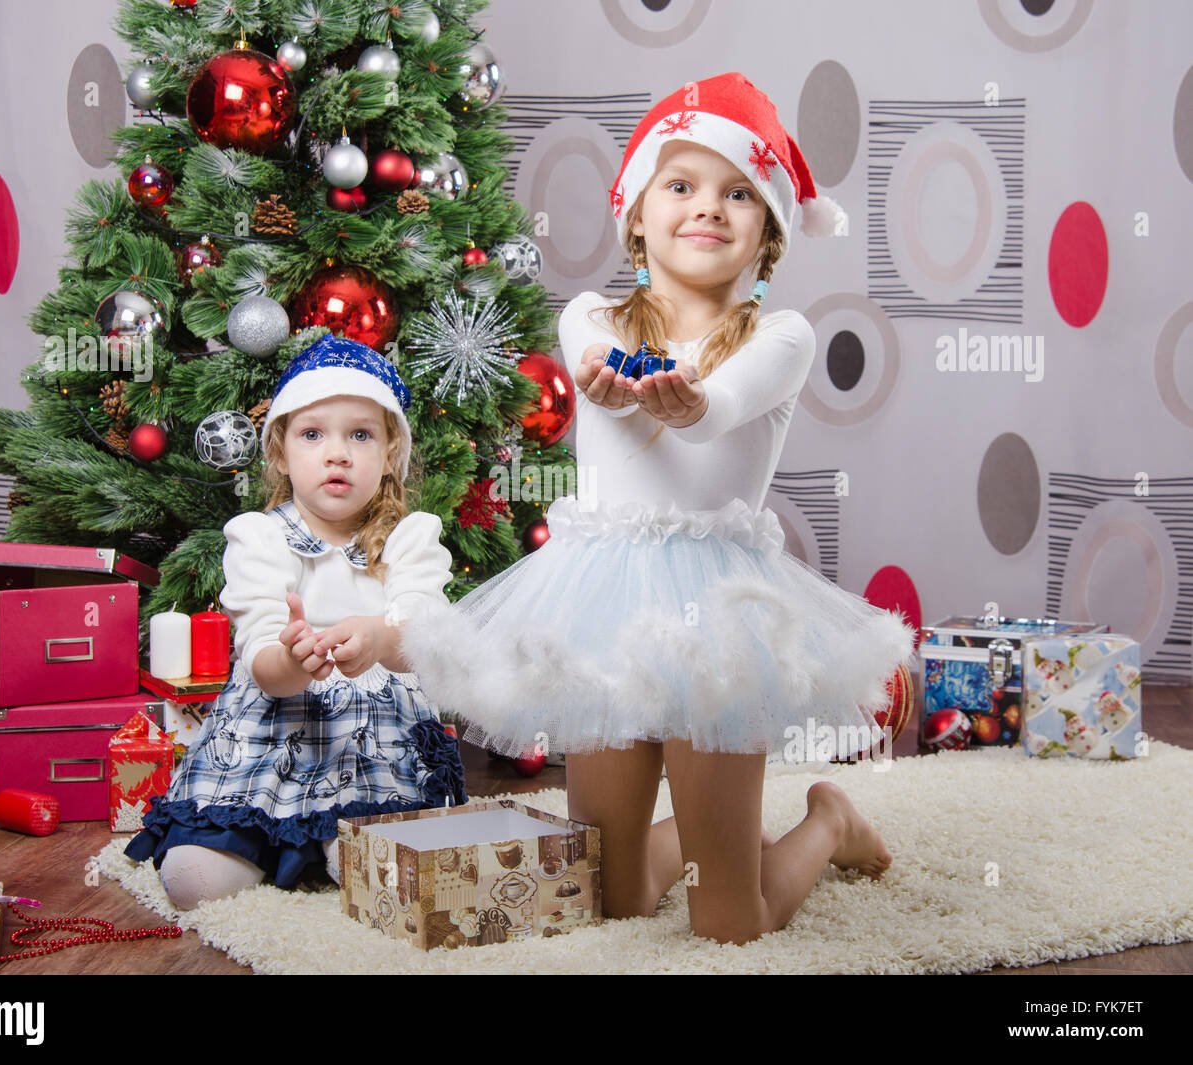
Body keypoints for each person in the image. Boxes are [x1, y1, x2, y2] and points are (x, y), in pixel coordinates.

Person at [402, 73, 917, 945]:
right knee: (616, 894)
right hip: (599, 606)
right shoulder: (590, 315)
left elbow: (722, 402)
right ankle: (714, 839)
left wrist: (690, 406)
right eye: (680, 185)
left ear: (770, 233)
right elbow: (600, 374)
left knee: (731, 922)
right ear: (638, 215)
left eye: (739, 193)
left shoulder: (781, 337)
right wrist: (626, 389)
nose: (707, 208)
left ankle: (827, 821)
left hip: (719, 617)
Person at [125, 335, 468, 910]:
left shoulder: (412, 539)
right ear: (281, 453)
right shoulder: (258, 537)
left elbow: (426, 640)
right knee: (194, 883)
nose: (337, 453)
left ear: (389, 454)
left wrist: (382, 637)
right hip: (274, 737)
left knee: (392, 883)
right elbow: (262, 662)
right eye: (313, 434)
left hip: (376, 751)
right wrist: (292, 660)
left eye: (361, 434)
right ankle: (273, 842)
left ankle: (345, 845)